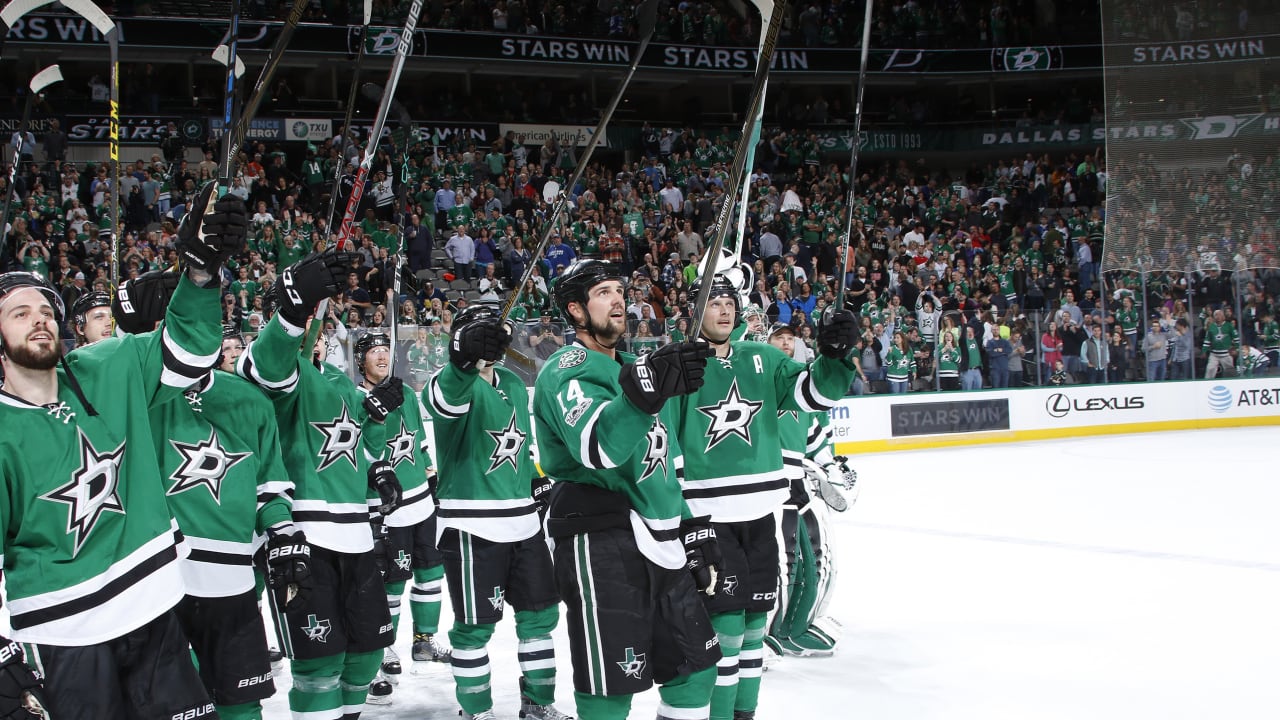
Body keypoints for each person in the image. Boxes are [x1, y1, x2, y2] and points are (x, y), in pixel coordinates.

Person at [0, 182, 244, 719]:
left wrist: (199, 276)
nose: (39, 317)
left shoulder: (106, 365)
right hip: (64, 628)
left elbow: (188, 354)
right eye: (20, 313)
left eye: (46, 309)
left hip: (152, 605)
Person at [531, 259, 721, 720]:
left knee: (694, 670)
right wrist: (644, 390)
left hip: (660, 537)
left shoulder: (637, 367)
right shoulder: (567, 368)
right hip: (600, 536)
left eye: (619, 289)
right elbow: (599, 447)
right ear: (575, 310)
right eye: (602, 293)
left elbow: (669, 464)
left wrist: (693, 530)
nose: (618, 299)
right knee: (611, 685)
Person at [110, 270, 297, 720]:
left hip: (233, 581)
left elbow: (268, 484)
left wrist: (284, 533)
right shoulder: (131, 394)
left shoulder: (248, 399)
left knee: (241, 703)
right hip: (157, 581)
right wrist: (127, 332)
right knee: (176, 707)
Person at [672, 273, 856, 720]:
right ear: (693, 312)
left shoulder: (763, 357)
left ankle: (744, 713)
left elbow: (815, 394)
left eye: (729, 301)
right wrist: (684, 520)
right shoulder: (676, 363)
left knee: (755, 627)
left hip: (761, 518)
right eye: (713, 302)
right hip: (708, 518)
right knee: (727, 629)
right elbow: (666, 448)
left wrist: (834, 354)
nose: (724, 309)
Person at [236, 250, 406, 720]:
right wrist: (293, 310)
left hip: (357, 534)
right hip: (304, 537)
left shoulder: (338, 380)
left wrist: (378, 459)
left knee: (366, 656)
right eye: (313, 312)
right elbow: (269, 368)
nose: (321, 325)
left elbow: (359, 449)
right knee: (319, 663)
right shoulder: (274, 369)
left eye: (320, 315)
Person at [425, 303, 571, 720]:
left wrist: (535, 478)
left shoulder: (510, 380)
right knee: (474, 627)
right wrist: (463, 358)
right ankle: (475, 710)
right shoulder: (451, 380)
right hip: (472, 526)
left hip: (524, 524)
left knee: (540, 616)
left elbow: (517, 445)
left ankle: (538, 704)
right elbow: (443, 401)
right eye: (479, 332)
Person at [352, 331, 450, 705]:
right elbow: (357, 449)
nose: (381, 356)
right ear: (360, 360)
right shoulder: (358, 399)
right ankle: (383, 649)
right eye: (373, 351)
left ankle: (424, 641)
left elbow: (419, 440)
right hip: (386, 505)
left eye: (385, 350)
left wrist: (430, 474)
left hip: (421, 501)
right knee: (391, 583)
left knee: (430, 573)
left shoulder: (406, 393)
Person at [757, 322, 853, 658]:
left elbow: (818, 445)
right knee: (776, 561)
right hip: (765, 485)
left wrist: (831, 468)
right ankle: (760, 631)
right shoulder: (756, 382)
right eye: (778, 338)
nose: (785, 343)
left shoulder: (801, 393)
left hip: (798, 484)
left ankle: (798, 625)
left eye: (789, 339)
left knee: (814, 556)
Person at [1202, 308, 1237, 379]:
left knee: (1230, 372)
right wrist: (1204, 351)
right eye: (1216, 315)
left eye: (1220, 315)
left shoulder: (1229, 325)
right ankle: (1207, 385)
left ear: (1223, 316)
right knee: (1210, 369)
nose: (1218, 317)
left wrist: (1237, 348)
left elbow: (1236, 338)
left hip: (1226, 354)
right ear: (1214, 317)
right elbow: (1207, 340)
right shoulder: (1211, 327)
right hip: (1214, 354)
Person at [1143, 317, 1169, 381]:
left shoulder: (1163, 335)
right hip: (1152, 361)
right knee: (1151, 379)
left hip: (1162, 360)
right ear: (1152, 327)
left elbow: (1173, 335)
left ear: (1159, 327)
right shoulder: (1148, 336)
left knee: (1162, 379)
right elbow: (1143, 349)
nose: (1155, 327)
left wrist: (1170, 324)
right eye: (1154, 326)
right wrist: (1153, 347)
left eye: (1157, 326)